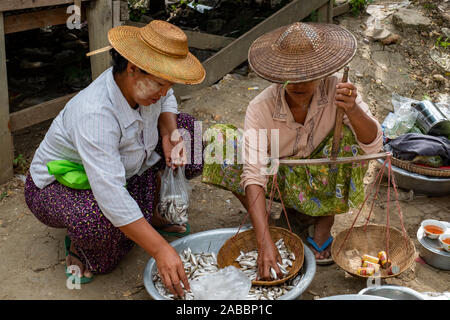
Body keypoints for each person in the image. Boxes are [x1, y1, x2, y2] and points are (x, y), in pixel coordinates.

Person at [24, 20, 205, 297]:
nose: (164, 92)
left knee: (188, 134)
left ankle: (148, 214)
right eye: (159, 84)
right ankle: (80, 244)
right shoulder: (95, 114)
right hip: (59, 185)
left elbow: (167, 100)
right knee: (97, 229)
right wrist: (160, 249)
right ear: (132, 68)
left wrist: (171, 133)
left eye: (170, 84)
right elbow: (109, 193)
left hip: (126, 168)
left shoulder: (149, 88)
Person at [202, 22, 383, 279]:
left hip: (324, 173)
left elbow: (373, 145)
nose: (299, 83)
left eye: (308, 74)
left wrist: (353, 110)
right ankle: (267, 220)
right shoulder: (261, 106)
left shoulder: (339, 90)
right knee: (219, 141)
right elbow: (253, 172)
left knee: (351, 139)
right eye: (291, 75)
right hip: (282, 175)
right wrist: (265, 240)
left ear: (322, 71)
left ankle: (323, 221)